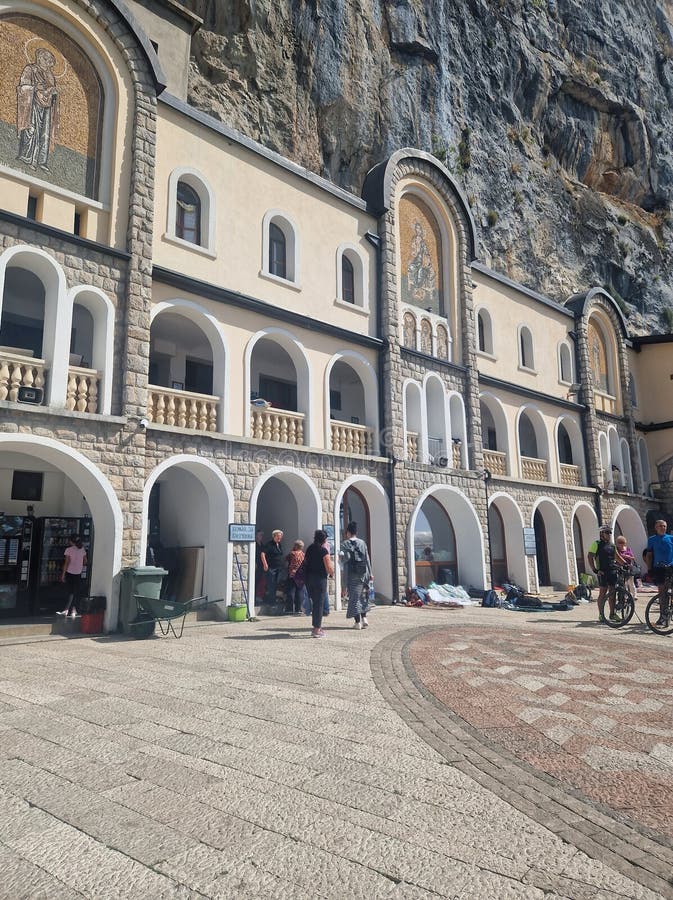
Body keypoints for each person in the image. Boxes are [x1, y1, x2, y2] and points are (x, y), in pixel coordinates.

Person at [16, 48, 60, 172]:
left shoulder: (50, 76)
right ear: (39, 58)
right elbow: (23, 87)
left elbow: (52, 90)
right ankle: (26, 157)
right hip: (32, 105)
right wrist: (34, 88)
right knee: (31, 129)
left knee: (44, 134)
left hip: (46, 108)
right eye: (46, 59)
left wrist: (53, 93)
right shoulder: (30, 69)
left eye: (50, 61)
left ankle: (41, 161)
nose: (48, 63)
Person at [340, 521, 372, 630]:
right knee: (363, 596)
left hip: (352, 574)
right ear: (356, 532)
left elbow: (345, 559)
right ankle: (365, 619)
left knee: (354, 598)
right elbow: (367, 558)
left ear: (348, 532)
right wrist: (371, 573)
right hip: (364, 573)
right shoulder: (362, 543)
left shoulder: (345, 544)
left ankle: (357, 622)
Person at [304, 529, 334, 638]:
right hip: (319, 579)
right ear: (324, 539)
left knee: (314, 602)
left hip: (309, 578)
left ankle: (316, 626)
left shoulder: (309, 549)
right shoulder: (323, 551)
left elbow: (306, 562)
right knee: (319, 604)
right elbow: (329, 567)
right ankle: (317, 629)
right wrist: (332, 573)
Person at [644, 519, 673, 626]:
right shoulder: (652, 540)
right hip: (659, 568)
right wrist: (649, 569)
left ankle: (670, 613)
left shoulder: (671, 538)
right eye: (660, 526)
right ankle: (662, 616)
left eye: (664, 526)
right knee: (662, 593)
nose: (663, 528)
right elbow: (649, 555)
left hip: (671, 567)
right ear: (656, 527)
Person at [588, 525, 618, 623]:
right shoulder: (596, 544)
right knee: (603, 593)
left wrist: (627, 564)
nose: (609, 534)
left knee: (613, 593)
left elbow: (617, 557)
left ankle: (612, 614)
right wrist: (595, 570)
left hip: (612, 571)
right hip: (602, 572)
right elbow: (590, 556)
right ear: (601, 534)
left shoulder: (612, 545)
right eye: (607, 532)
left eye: (610, 532)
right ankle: (601, 614)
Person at [58, 534, 87, 618]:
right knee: (75, 592)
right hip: (78, 573)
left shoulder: (68, 550)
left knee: (70, 592)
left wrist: (63, 575)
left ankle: (66, 610)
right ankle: (73, 610)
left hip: (70, 572)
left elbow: (66, 563)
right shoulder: (82, 549)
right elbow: (85, 561)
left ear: (71, 541)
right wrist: (79, 566)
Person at [260, 529, 284, 607]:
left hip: (278, 568)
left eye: (280, 537)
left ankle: (274, 601)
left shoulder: (279, 544)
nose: (279, 538)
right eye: (278, 537)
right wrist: (265, 564)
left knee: (277, 584)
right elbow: (263, 554)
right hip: (271, 568)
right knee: (271, 585)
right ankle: (271, 602)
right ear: (274, 536)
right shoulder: (269, 544)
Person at [285, 540, 306, 615]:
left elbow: (286, 558)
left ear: (295, 546)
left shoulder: (292, 553)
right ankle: (298, 609)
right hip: (300, 575)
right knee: (299, 592)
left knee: (291, 591)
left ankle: (289, 609)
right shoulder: (303, 554)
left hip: (292, 574)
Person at [254, 529, 265, 601]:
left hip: (261, 565)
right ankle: (254, 595)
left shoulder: (262, 545)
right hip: (256, 564)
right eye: (260, 535)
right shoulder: (254, 544)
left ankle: (258, 595)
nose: (261, 536)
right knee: (256, 580)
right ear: (256, 536)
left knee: (260, 580)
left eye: (262, 535)